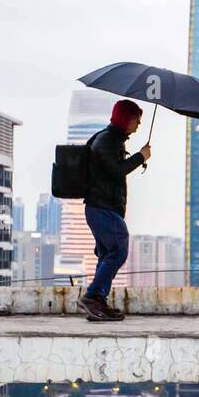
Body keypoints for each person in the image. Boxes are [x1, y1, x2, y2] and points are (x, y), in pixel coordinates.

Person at [79, 98, 151, 321]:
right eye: (136, 120)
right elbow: (115, 170)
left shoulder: (113, 140)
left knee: (106, 254)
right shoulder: (107, 140)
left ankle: (98, 302)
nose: (138, 125)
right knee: (119, 249)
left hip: (103, 207)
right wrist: (141, 157)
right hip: (102, 207)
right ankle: (91, 296)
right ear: (125, 119)